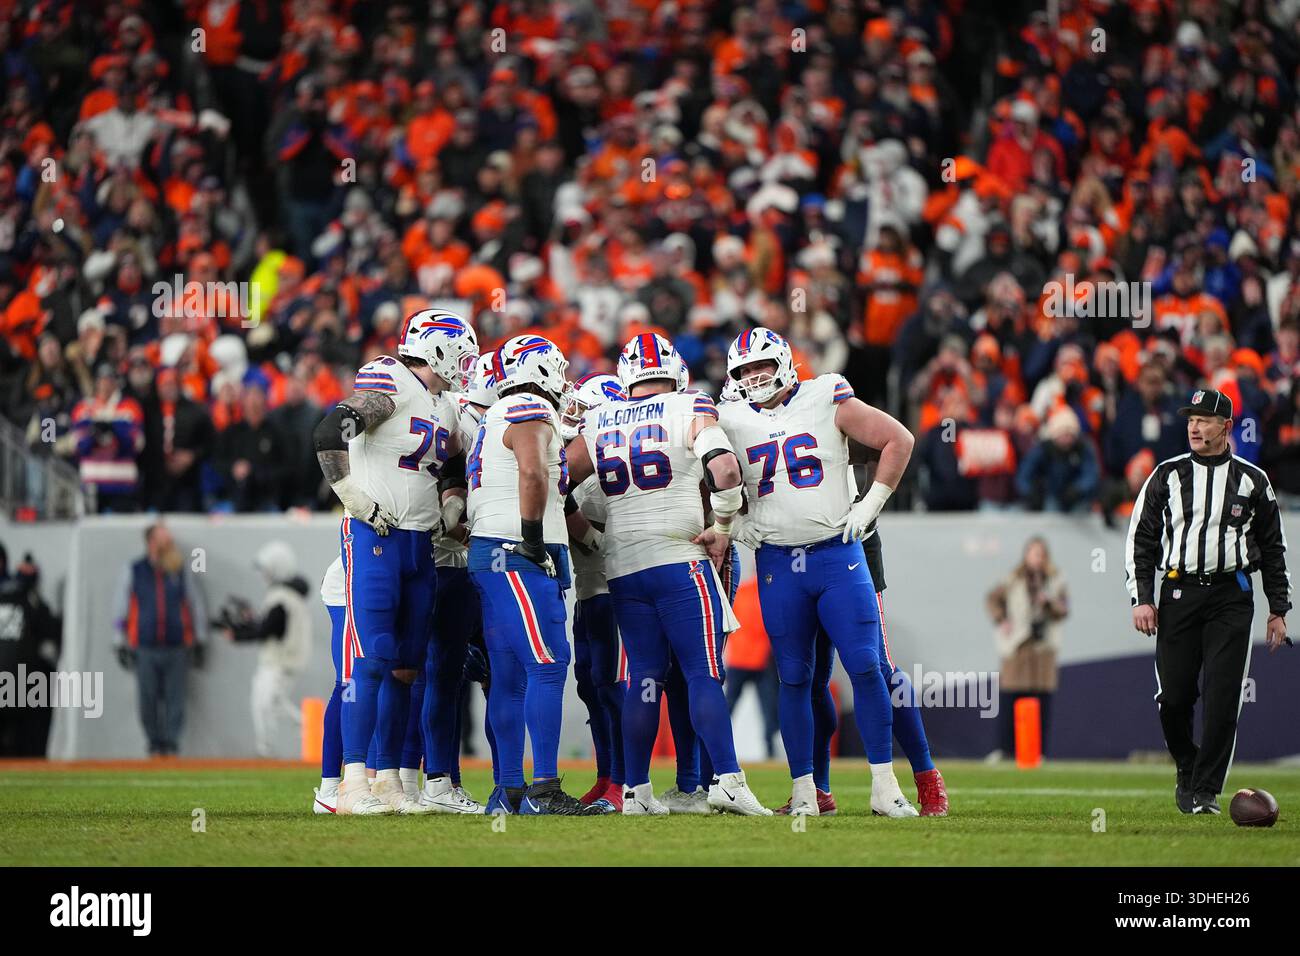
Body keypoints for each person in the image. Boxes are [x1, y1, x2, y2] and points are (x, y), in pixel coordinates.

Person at [564, 332, 769, 816]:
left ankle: (635, 791)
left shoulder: (598, 418)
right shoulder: (689, 406)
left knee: (644, 679)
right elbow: (726, 473)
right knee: (702, 674)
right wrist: (721, 527)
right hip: (679, 558)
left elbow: (557, 480)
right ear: (674, 371)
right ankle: (728, 781)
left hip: (622, 567)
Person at [717, 327, 918, 816]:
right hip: (777, 563)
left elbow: (898, 438)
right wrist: (731, 519)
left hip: (836, 554)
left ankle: (884, 787)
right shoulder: (729, 419)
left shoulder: (826, 393)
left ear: (784, 362)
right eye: (744, 370)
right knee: (793, 678)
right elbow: (702, 473)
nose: (754, 376)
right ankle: (805, 790)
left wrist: (870, 505)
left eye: (761, 365)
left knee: (867, 666)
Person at [313, 309, 477, 815]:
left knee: (406, 666)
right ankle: (351, 782)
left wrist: (451, 501)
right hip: (375, 534)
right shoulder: (392, 380)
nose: (466, 361)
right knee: (372, 658)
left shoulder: (443, 404)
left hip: (419, 545)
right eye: (461, 348)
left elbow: (448, 461)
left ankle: (387, 781)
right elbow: (330, 430)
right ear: (435, 346)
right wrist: (349, 494)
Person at [1125, 388, 1292, 815]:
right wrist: (1142, 598)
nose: (1195, 427)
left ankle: (1205, 791)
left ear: (1226, 427)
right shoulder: (1166, 474)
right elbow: (1140, 539)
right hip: (1179, 592)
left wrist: (1278, 608)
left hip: (1231, 595)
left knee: (1223, 697)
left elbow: (1274, 548)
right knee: (1174, 696)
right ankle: (1187, 765)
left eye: (1204, 419)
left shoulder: (1253, 480)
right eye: (1191, 419)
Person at [466, 334, 597, 816]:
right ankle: (543, 790)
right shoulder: (527, 407)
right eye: (558, 369)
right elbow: (532, 474)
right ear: (540, 370)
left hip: (492, 553)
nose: (563, 380)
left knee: (509, 676)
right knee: (547, 665)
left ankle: (509, 792)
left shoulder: (495, 412)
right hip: (517, 552)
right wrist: (533, 538)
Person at [560, 372, 628, 813]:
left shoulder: (611, 468)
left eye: (584, 411)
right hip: (588, 592)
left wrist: (566, 514)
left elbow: (606, 538)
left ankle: (624, 782)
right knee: (591, 686)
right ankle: (605, 777)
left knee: (612, 686)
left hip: (612, 590)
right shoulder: (578, 462)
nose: (574, 417)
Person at [114, 523, 207, 756]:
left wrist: (200, 638)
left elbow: (195, 604)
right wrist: (119, 640)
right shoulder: (135, 569)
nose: (168, 543)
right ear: (151, 542)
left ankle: (172, 744)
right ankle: (154, 743)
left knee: (176, 699)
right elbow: (121, 606)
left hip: (176, 645)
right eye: (163, 539)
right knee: (147, 699)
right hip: (145, 645)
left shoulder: (179, 569)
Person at [216, 541, 312, 757]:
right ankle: (269, 746)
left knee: (268, 705)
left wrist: (238, 634)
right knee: (268, 704)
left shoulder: (282, 598)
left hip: (279, 662)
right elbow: (268, 626)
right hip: (280, 661)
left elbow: (268, 629)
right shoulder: (288, 596)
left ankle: (307, 735)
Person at [985, 536, 1068, 761]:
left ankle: (1037, 752)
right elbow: (993, 599)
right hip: (1018, 647)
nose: (1037, 559)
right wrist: (1002, 619)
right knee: (1011, 699)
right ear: (1026, 555)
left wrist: (1049, 602)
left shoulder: (1055, 580)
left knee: (1042, 703)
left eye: (1041, 554)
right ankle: (1005, 750)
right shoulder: (1013, 579)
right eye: (1034, 553)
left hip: (1043, 649)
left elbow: (1064, 609)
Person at [313, 556, 345, 814]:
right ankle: (329, 787)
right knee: (350, 683)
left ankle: (381, 781)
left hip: (383, 580)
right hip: (350, 586)